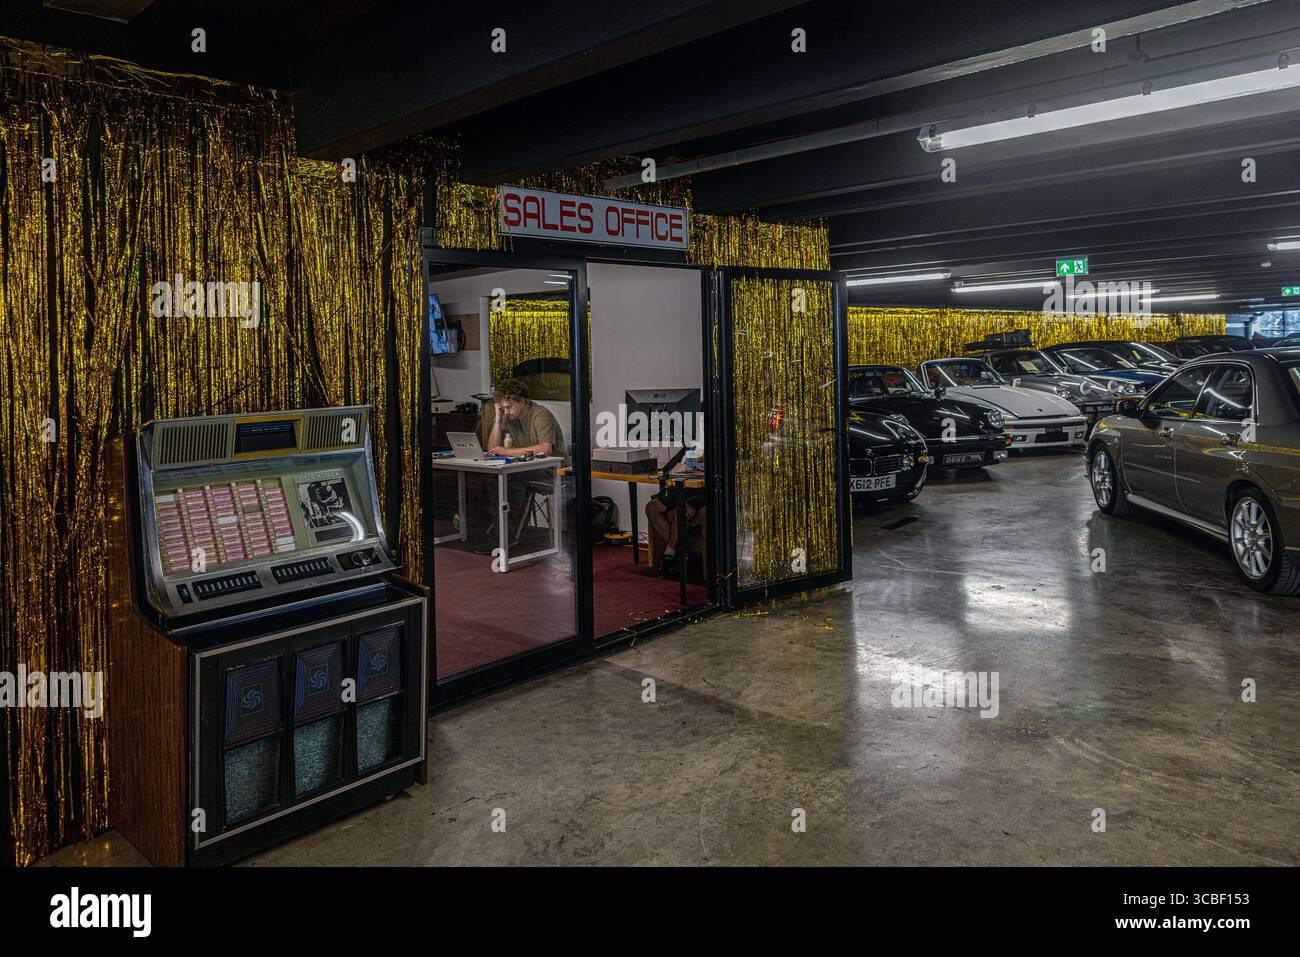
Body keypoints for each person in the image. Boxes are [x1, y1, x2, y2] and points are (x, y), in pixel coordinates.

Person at [484, 378, 570, 547]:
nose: (506, 411)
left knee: (509, 480)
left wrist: (506, 451)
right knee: (491, 479)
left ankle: (507, 537)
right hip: (525, 468)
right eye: (503, 408)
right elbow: (492, 447)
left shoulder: (540, 414)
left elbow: (545, 450)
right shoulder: (507, 418)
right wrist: (497, 418)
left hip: (551, 472)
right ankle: (500, 534)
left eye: (509, 407)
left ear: (522, 401)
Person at [645, 446, 705, 578]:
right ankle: (685, 553)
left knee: (682, 511)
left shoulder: (718, 435)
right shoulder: (691, 439)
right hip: (684, 482)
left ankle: (669, 555)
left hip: (704, 488)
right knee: (652, 508)